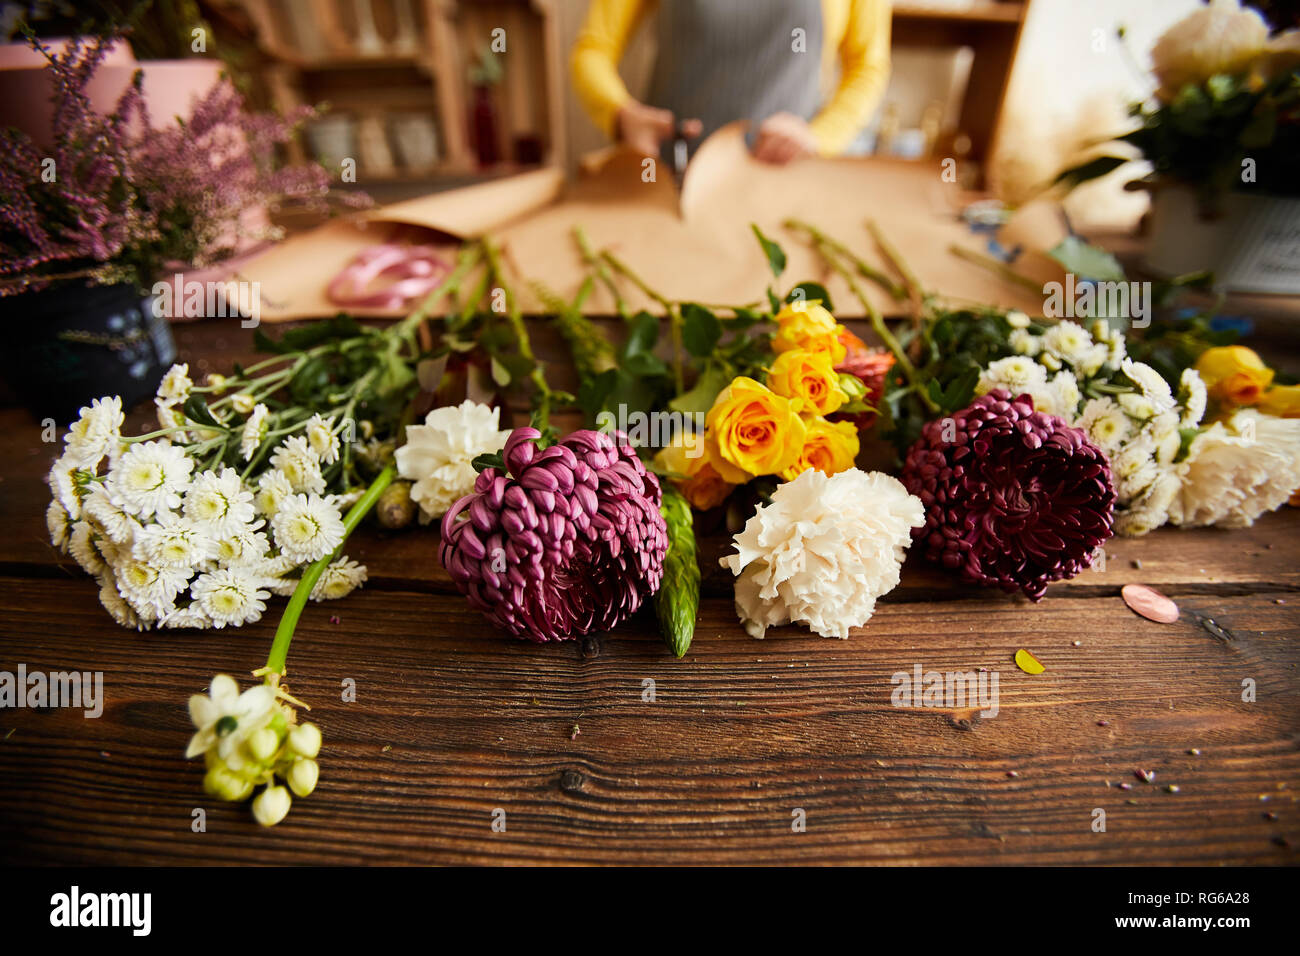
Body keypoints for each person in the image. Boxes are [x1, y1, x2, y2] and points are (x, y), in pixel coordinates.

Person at [571, 0, 891, 165]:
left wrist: (820, 138)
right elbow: (593, 49)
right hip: (669, 181)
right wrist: (620, 115)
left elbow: (867, 68)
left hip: (788, 180)